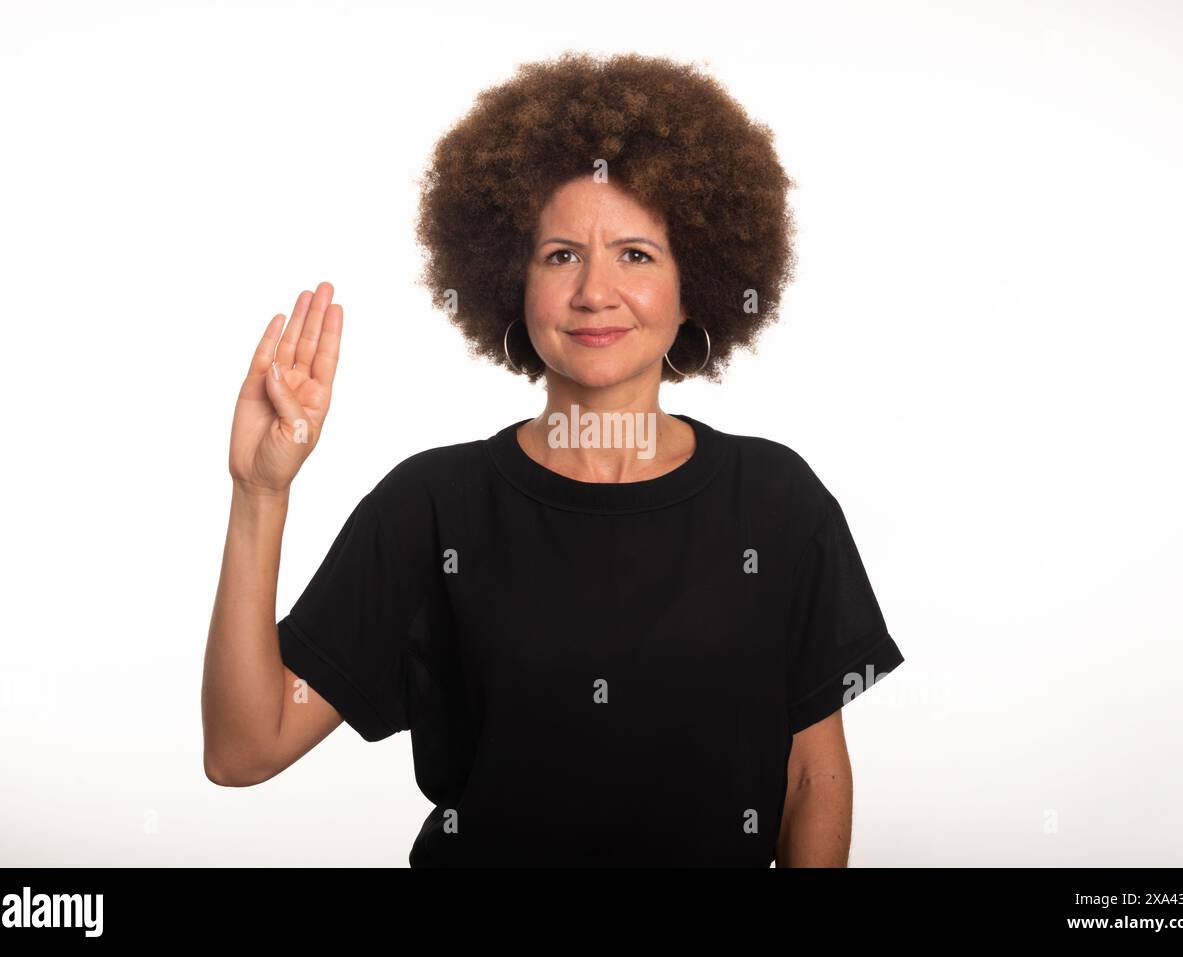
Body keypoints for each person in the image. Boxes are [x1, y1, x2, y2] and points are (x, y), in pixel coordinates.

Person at [202, 51, 905, 867]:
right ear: (512, 282)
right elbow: (243, 749)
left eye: (637, 254)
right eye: (561, 254)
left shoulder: (778, 501)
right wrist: (259, 493)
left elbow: (814, 773)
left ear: (694, 289)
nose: (595, 292)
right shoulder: (433, 506)